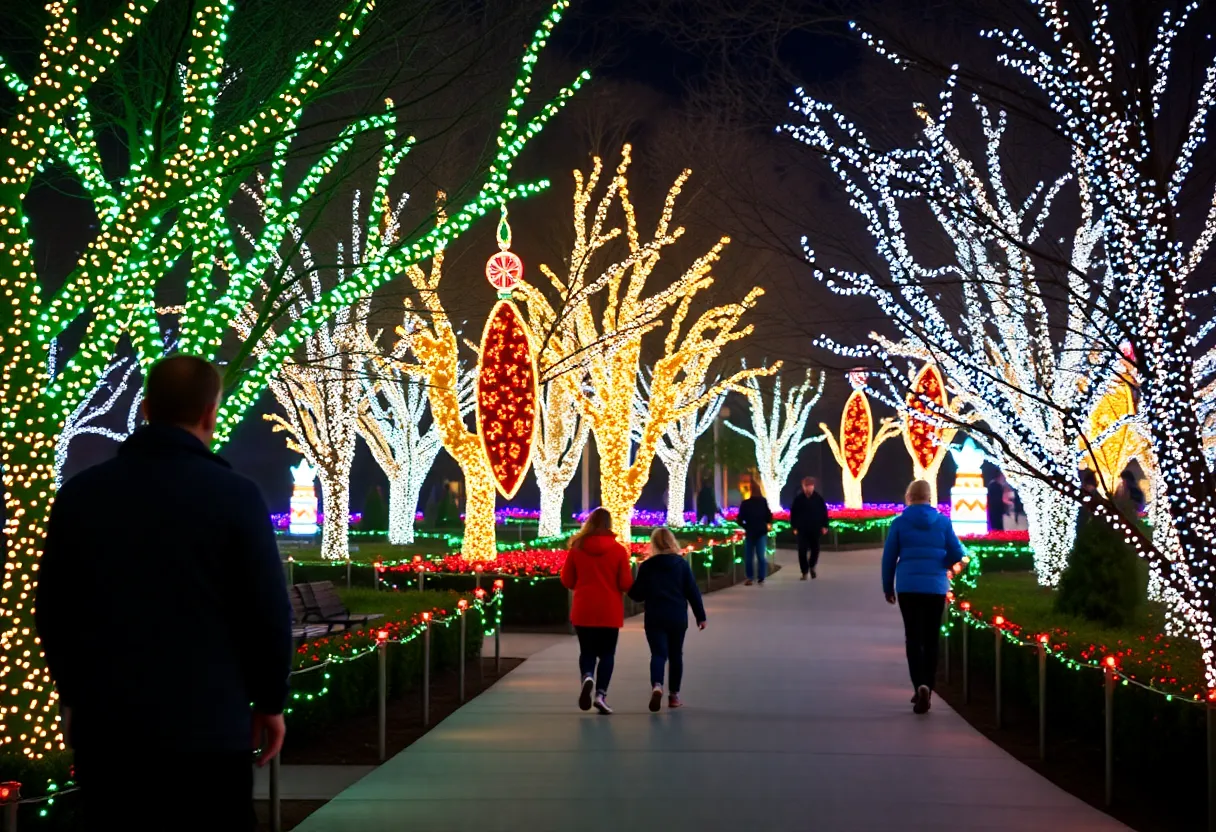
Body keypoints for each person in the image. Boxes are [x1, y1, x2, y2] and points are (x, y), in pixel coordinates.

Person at [36, 355, 292, 830]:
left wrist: (73, 694)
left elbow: (54, 609)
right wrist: (269, 701)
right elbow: (267, 613)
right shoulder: (236, 496)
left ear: (147, 409)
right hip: (210, 724)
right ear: (210, 413)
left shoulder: (81, 495)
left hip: (109, 725)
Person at [882, 479, 966, 714]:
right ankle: (928, 684)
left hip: (908, 586)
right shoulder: (943, 522)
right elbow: (957, 552)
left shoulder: (899, 523)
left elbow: (889, 557)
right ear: (929, 497)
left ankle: (918, 684)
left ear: (909, 497)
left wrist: (888, 587)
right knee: (931, 639)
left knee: (913, 637)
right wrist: (943, 564)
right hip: (935, 587)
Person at [560, 508, 633, 714]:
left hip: (583, 609)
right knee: (607, 654)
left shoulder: (577, 548)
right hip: (609, 610)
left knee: (587, 651)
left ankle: (587, 676)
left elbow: (567, 579)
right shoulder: (619, 551)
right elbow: (625, 583)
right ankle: (600, 695)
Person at [628, 528, 707, 711]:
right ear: (672, 542)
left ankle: (657, 685)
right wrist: (700, 616)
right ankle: (674, 696)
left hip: (655, 615)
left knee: (658, 654)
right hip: (677, 616)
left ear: (653, 544)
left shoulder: (647, 566)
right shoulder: (681, 564)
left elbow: (637, 595)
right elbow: (692, 592)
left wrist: (627, 586)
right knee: (676, 655)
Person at [789, 476, 829, 580]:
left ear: (813, 486)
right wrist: (794, 526)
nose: (808, 488)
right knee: (802, 550)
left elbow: (824, 513)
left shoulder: (818, 499)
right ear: (803, 487)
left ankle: (812, 566)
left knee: (815, 549)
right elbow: (793, 514)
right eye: (806, 486)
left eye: (810, 486)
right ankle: (804, 571)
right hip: (802, 529)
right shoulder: (798, 499)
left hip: (815, 528)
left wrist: (825, 525)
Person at [736, 486, 773, 585]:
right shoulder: (763, 502)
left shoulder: (746, 503)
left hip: (750, 532)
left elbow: (740, 519)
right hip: (761, 531)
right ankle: (761, 577)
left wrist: (746, 526)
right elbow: (768, 516)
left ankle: (750, 577)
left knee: (749, 557)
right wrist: (768, 523)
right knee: (760, 556)